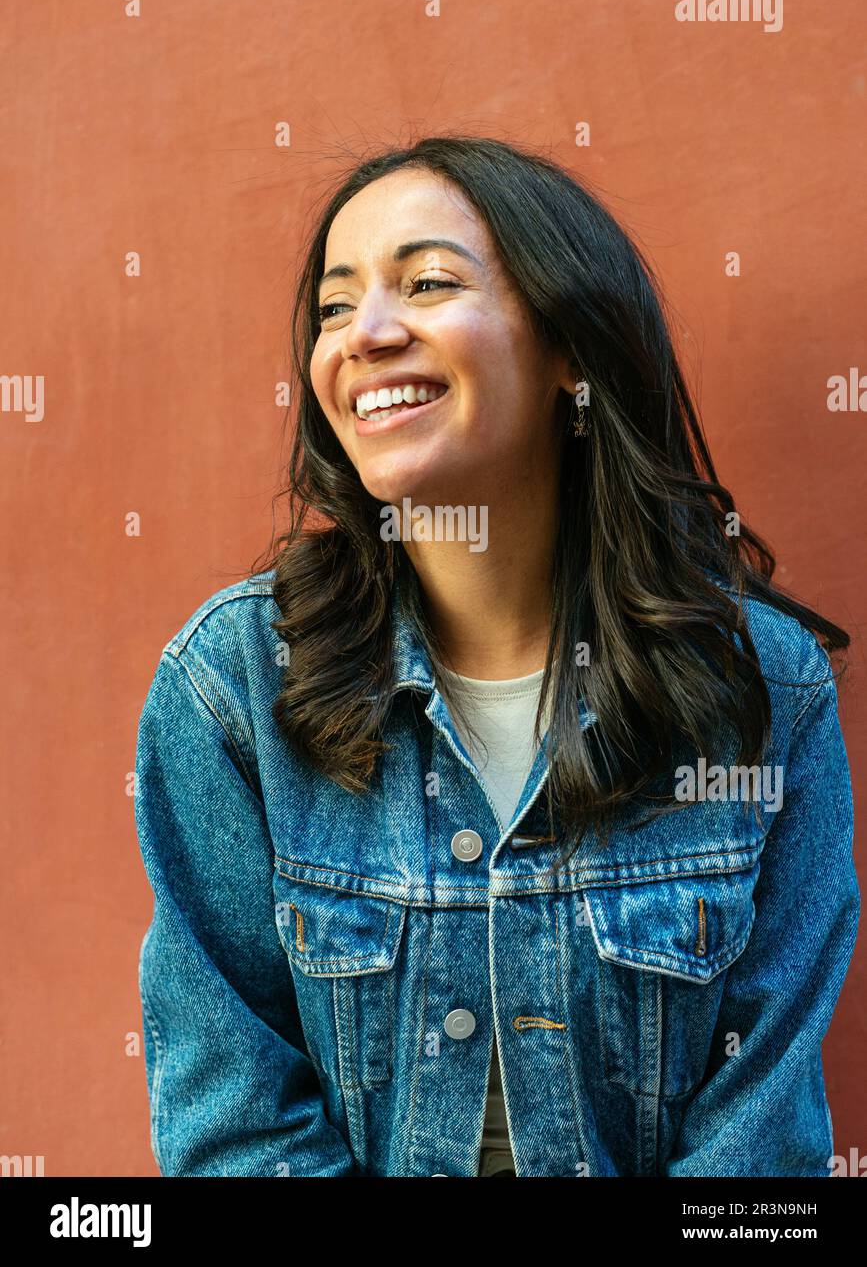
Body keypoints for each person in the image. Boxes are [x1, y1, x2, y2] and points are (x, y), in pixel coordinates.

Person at [134, 135, 859, 1177]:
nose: (364, 335)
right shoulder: (235, 687)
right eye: (336, 307)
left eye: (425, 282)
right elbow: (234, 1127)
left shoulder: (762, 691)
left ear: (570, 346)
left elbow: (761, 1153)